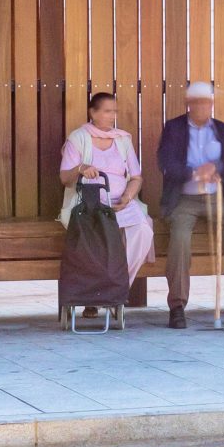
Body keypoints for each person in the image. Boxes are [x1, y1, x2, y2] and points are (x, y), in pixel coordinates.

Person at [156, 82, 224, 329]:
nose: (201, 106)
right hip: (184, 198)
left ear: (211, 104)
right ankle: (177, 306)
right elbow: (165, 161)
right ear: (188, 104)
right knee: (180, 237)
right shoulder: (174, 128)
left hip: (217, 196)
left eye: (206, 102)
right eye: (196, 102)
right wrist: (193, 173)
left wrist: (217, 168)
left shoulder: (222, 129)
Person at [59, 92, 155, 316]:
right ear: (93, 112)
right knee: (98, 238)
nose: (112, 116)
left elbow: (136, 177)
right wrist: (81, 168)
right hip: (90, 203)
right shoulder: (78, 138)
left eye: (115, 111)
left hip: (120, 203)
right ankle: (98, 295)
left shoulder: (122, 139)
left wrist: (128, 197)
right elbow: (65, 178)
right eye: (107, 111)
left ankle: (116, 291)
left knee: (142, 231)